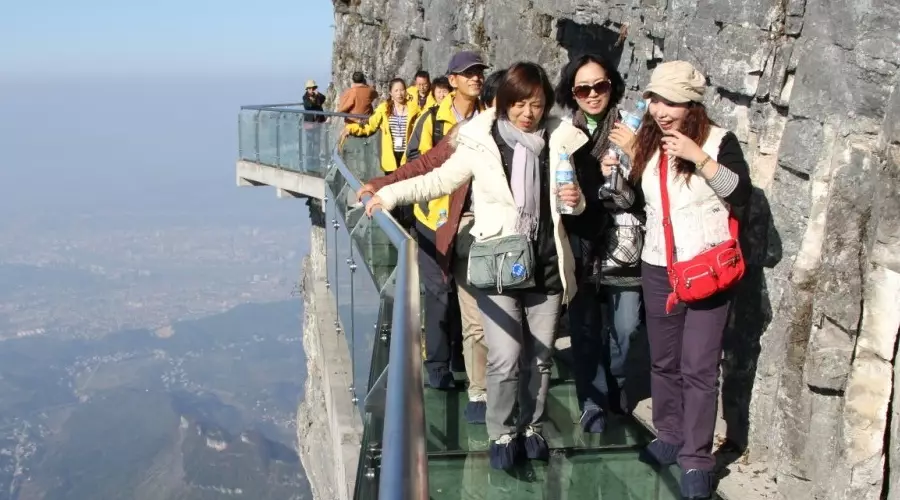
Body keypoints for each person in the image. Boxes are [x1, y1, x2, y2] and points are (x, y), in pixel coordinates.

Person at [366, 62, 590, 471]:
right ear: (504, 103)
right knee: (505, 356)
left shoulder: (558, 141)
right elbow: (437, 179)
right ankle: (501, 432)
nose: (528, 113)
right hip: (499, 265)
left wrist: (575, 200)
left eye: (536, 105)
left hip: (546, 265)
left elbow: (571, 201)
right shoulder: (482, 141)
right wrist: (389, 194)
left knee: (539, 358)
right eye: (519, 104)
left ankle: (532, 427)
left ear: (547, 106)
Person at [630, 61, 751, 500]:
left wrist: (699, 158)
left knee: (699, 367)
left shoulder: (719, 141)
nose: (661, 110)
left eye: (672, 102)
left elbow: (741, 195)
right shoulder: (647, 140)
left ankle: (698, 459)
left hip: (705, 269)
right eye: (656, 100)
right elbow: (638, 202)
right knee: (663, 361)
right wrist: (622, 168)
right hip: (658, 265)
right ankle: (670, 434)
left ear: (692, 104)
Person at [357, 70, 507, 424]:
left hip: (510, 241)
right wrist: (383, 187)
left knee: (498, 320)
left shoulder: (538, 137)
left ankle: (496, 391)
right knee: (461, 309)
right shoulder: (457, 130)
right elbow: (428, 168)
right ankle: (474, 388)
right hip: (452, 226)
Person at [555, 54, 644, 433]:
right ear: (572, 93)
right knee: (586, 328)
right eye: (583, 88)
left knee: (626, 328)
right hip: (582, 244)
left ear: (613, 86)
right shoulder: (563, 134)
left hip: (625, 246)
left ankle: (618, 383)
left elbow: (652, 190)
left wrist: (636, 155)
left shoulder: (633, 128)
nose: (593, 95)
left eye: (600, 86)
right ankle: (591, 400)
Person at [401, 51, 487, 392]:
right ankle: (437, 365)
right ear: (452, 80)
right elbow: (413, 161)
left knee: (467, 292)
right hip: (432, 218)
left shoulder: (488, 116)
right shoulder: (431, 119)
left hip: (471, 219)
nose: (476, 78)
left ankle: (460, 357)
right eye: (468, 74)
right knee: (439, 291)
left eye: (479, 72)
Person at [342, 78, 416, 173]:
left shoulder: (414, 109)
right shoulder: (383, 109)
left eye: (402, 90)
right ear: (390, 93)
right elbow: (369, 126)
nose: (399, 93)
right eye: (396, 90)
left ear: (406, 91)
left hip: (408, 156)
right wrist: (351, 128)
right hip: (390, 158)